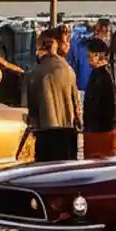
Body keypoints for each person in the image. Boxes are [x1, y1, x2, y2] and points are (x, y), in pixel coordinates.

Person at [27, 27, 81, 162]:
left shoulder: (36, 73)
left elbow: (31, 105)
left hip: (45, 130)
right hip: (67, 130)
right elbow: (76, 103)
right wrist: (79, 122)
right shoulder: (68, 70)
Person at [81, 38, 116, 159]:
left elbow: (105, 106)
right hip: (99, 130)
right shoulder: (100, 74)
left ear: (98, 55)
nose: (87, 59)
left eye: (89, 55)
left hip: (101, 132)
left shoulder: (102, 76)